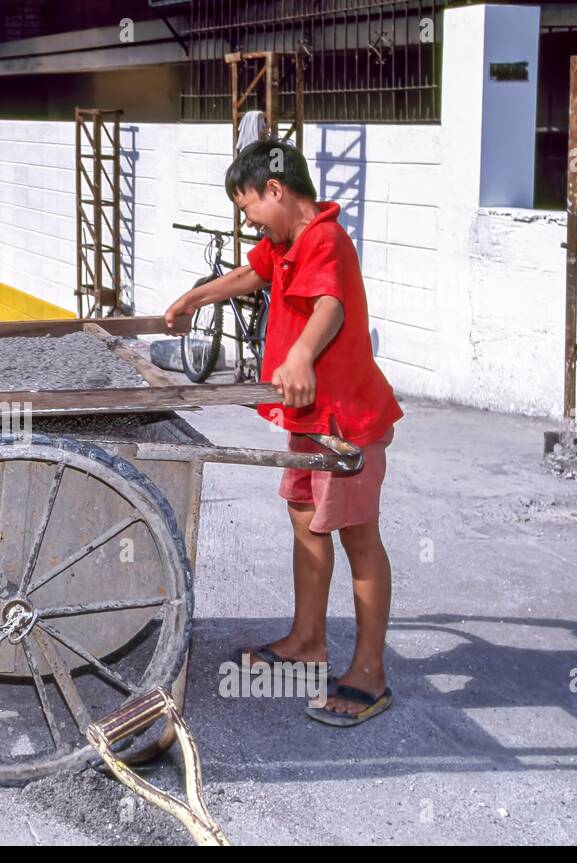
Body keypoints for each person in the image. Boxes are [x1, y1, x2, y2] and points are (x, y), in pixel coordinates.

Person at [164, 139, 403, 727]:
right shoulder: (286, 243)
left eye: (248, 206)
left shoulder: (325, 239)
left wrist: (299, 355)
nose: (248, 219)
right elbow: (250, 273)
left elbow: (329, 307)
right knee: (305, 522)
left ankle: (369, 672)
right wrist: (196, 297)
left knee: (359, 539)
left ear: (275, 190)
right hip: (308, 421)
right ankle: (307, 641)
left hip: (345, 422)